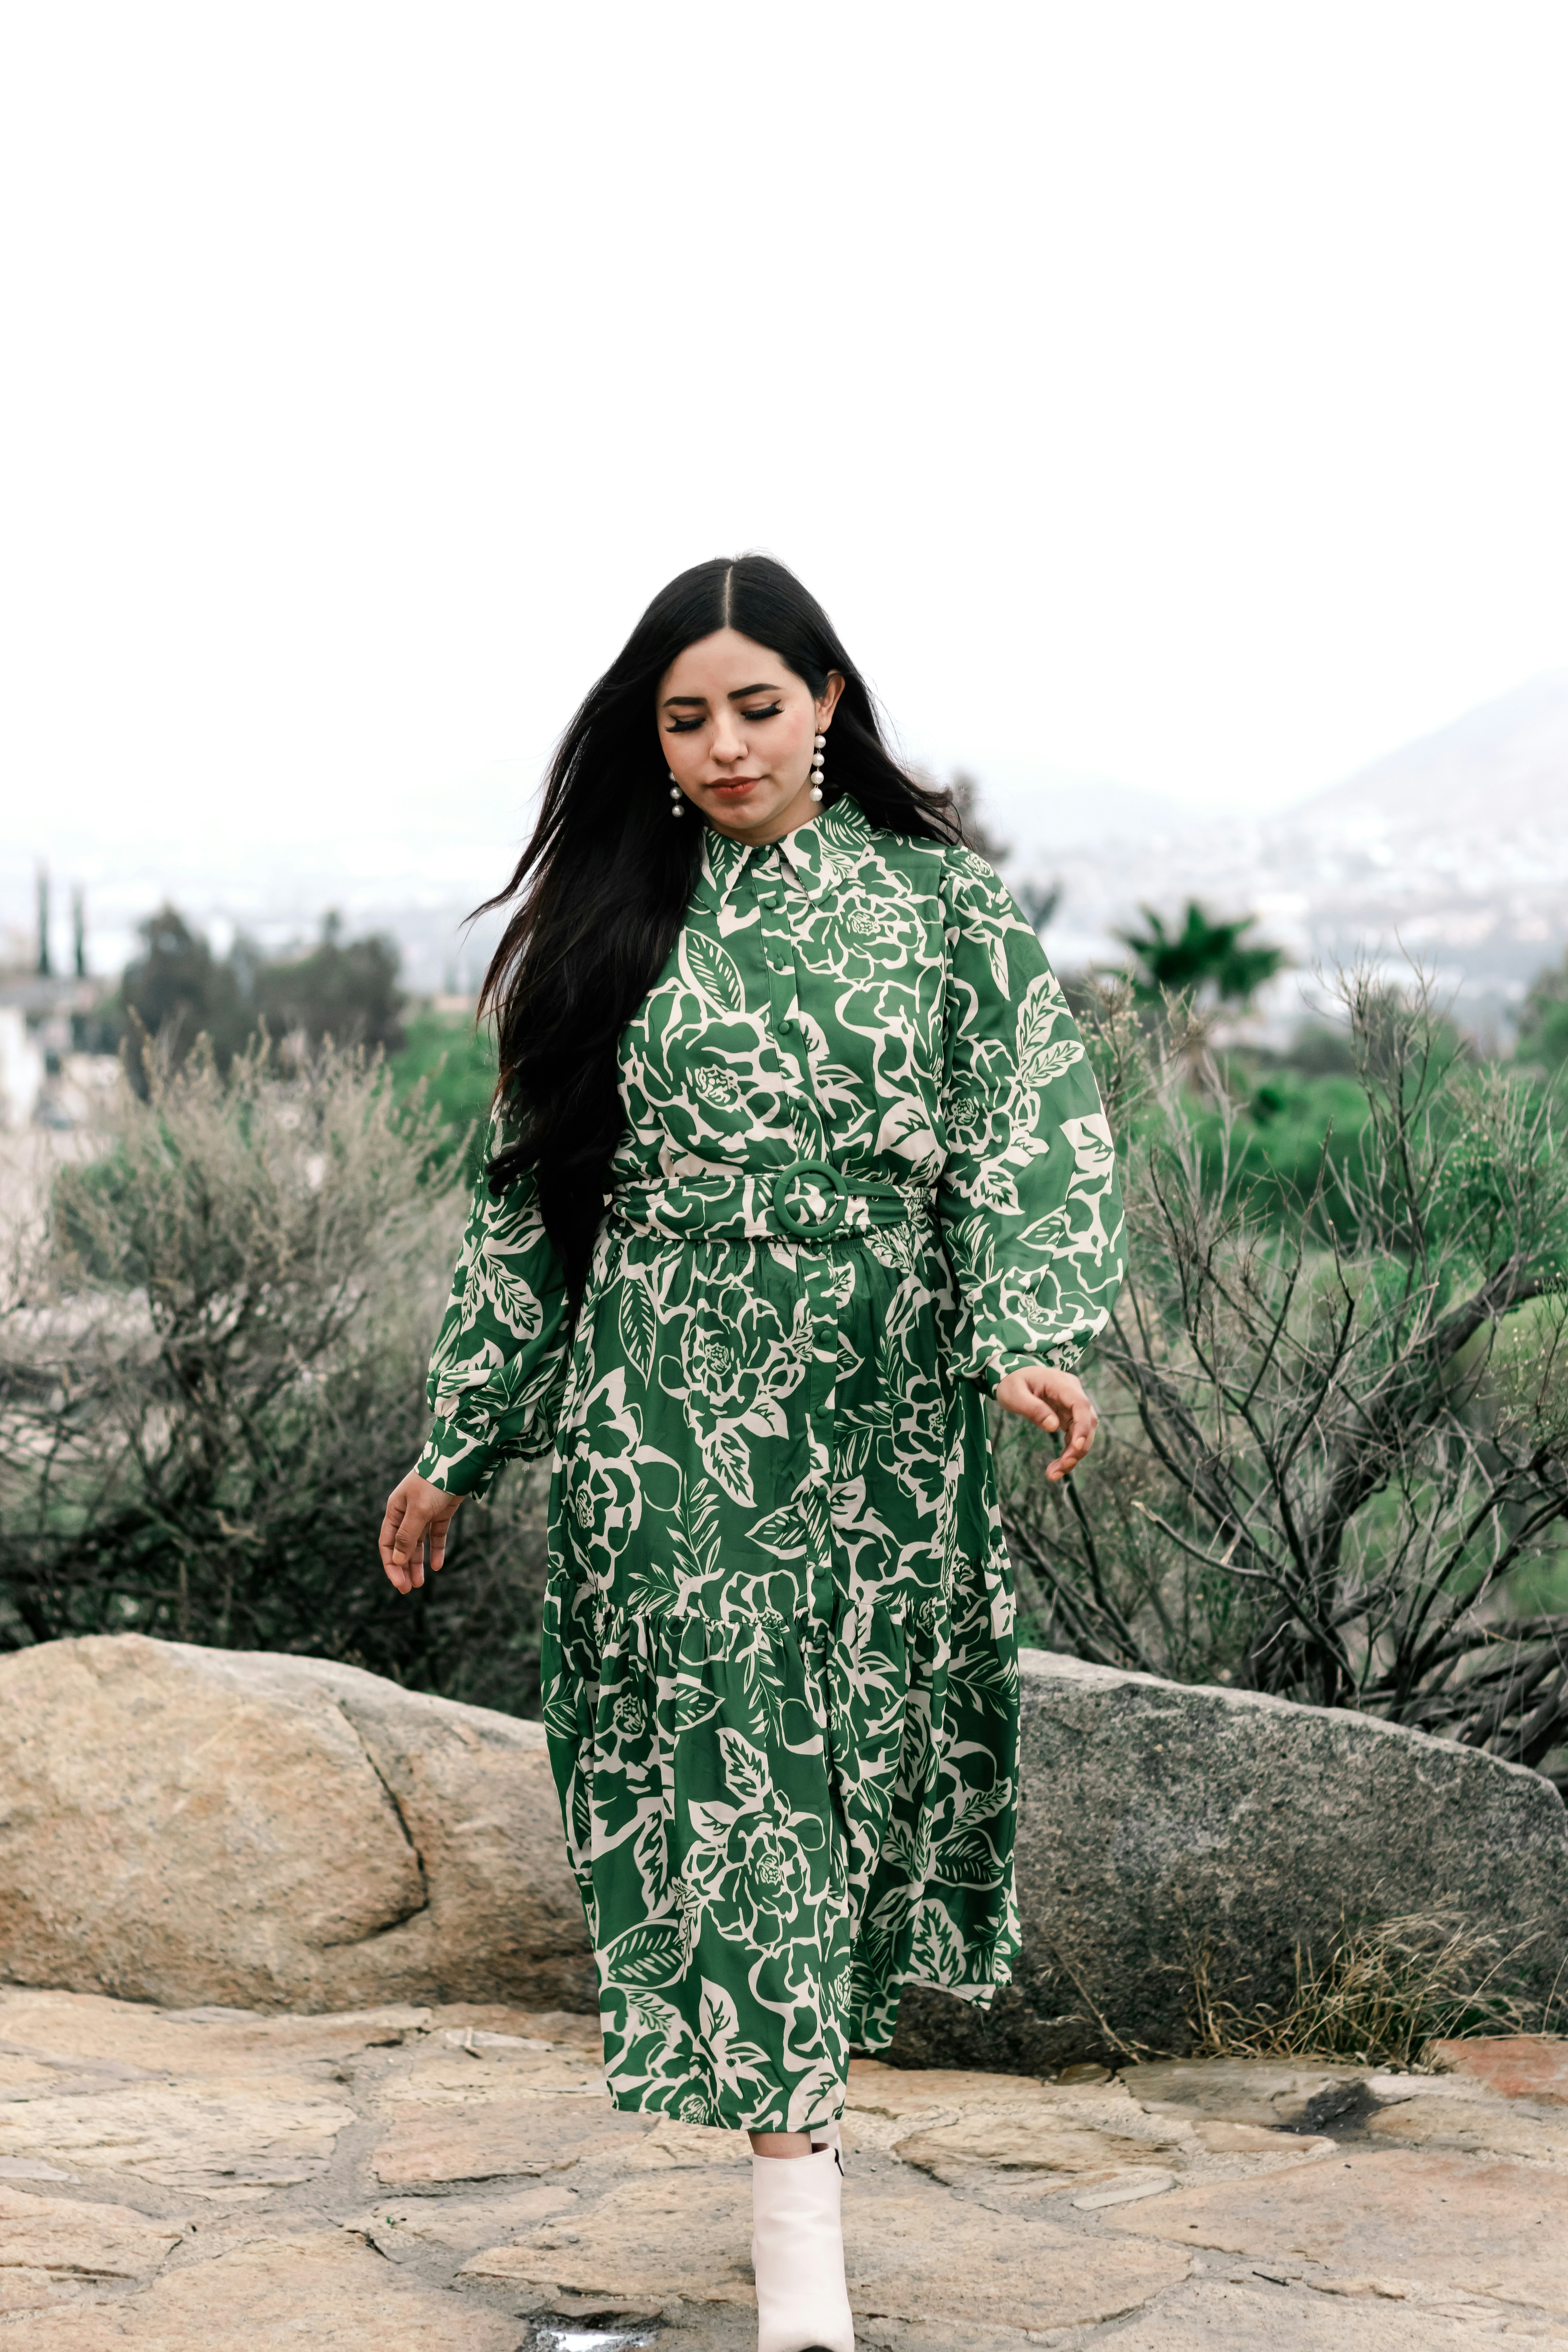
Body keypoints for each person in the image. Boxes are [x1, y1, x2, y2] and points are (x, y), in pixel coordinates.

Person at [379, 554, 1125, 2352]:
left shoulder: (944, 911)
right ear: (650, 738)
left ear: (829, 703)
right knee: (741, 1779)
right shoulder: (609, 925)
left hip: (882, 1418)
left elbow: (1029, 1125)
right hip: (667, 1424)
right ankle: (804, 2277)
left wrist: (1026, 1331)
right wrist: (459, 1438)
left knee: (849, 1771)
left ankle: (802, 2204)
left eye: (757, 707)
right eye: (686, 717)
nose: (724, 746)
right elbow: (529, 1207)